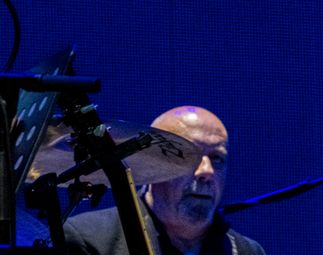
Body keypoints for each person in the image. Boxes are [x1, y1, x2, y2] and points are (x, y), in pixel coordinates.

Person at [63, 105, 266, 255]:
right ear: (152, 164)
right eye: (190, 156)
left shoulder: (247, 251)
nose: (207, 171)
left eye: (217, 159)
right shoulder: (87, 239)